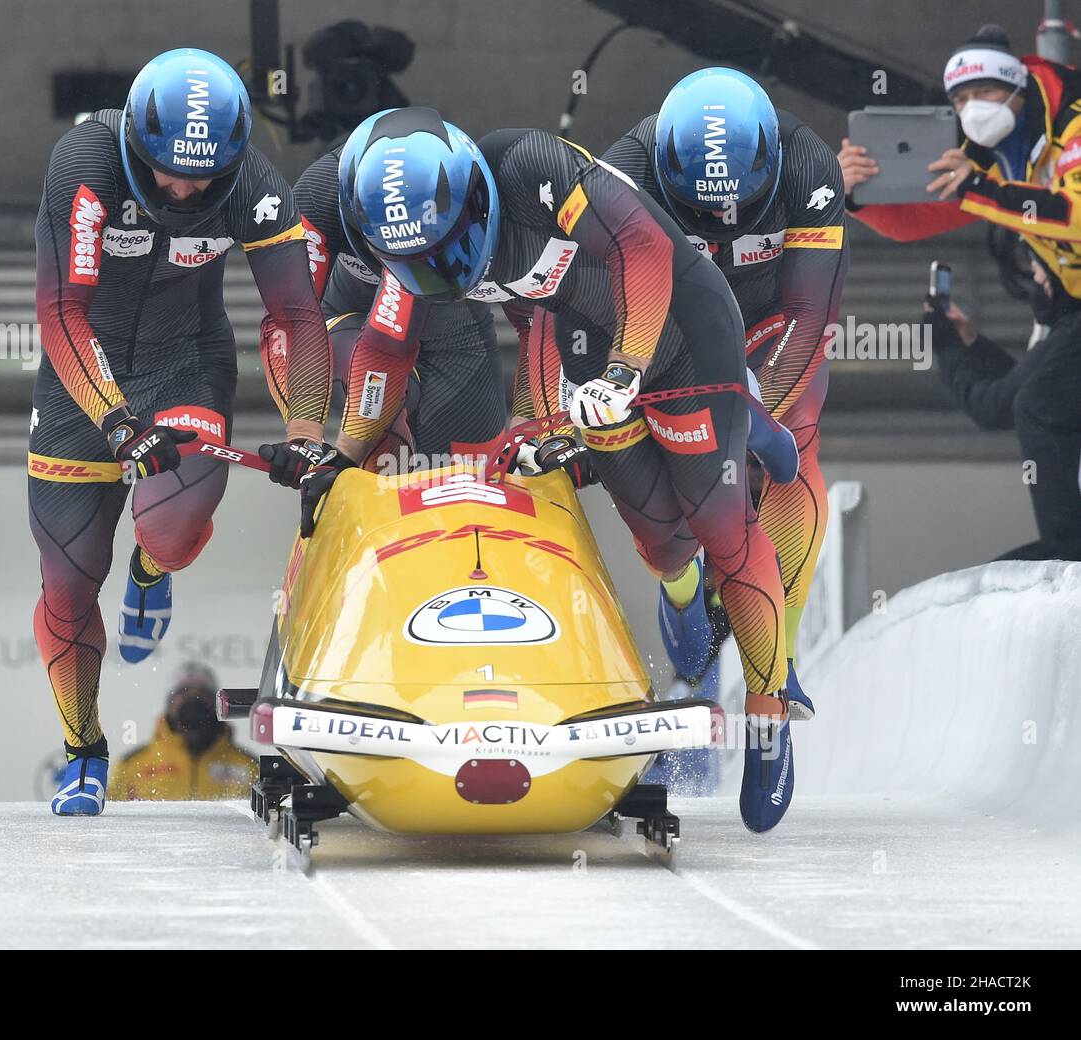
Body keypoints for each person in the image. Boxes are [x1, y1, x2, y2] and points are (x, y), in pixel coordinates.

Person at [305, 106, 797, 832]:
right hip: (587, 348)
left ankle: (769, 714)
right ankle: (738, 432)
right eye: (418, 263)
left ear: (472, 195)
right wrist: (343, 454)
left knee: (720, 526)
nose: (440, 272)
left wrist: (628, 371)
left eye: (449, 247)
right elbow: (384, 351)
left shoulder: (533, 166)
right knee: (663, 540)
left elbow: (643, 250)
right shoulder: (413, 252)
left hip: (683, 332)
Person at [32, 48, 332, 816]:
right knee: (68, 587)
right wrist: (112, 417)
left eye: (202, 176)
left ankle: (152, 569)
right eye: (166, 169)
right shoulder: (86, 163)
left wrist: (304, 427)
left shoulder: (255, 187)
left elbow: (297, 315)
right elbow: (63, 313)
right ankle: (84, 750)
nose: (183, 188)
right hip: (81, 378)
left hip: (183, 366)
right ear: (136, 140)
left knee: (171, 526)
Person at [602, 67, 848, 717]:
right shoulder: (619, 174)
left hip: (771, 329)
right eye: (703, 208)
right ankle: (685, 588)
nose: (722, 217)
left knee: (794, 450)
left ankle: (781, 663)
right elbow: (604, 307)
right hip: (674, 343)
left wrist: (755, 415)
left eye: (738, 204)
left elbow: (810, 313)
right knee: (689, 500)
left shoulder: (811, 169)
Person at [259, 140, 511, 473]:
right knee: (382, 435)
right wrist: (304, 436)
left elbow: (543, 314)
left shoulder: (482, 193)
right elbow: (289, 319)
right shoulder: (320, 194)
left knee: (480, 481)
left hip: (458, 339)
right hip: (356, 327)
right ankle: (376, 467)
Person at [839, 23, 1081, 305]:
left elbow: (1076, 216)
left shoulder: (1073, 120)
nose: (974, 108)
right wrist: (853, 194)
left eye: (986, 91)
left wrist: (979, 188)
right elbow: (917, 219)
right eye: (962, 99)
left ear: (1019, 87)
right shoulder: (985, 156)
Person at [926, 258, 1081, 560]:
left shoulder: (1073, 331)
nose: (1034, 279)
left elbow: (995, 406)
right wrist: (971, 344)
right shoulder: (1068, 334)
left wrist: (948, 348)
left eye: (1038, 270)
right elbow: (1027, 391)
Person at [107, 665, 256, 801]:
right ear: (170, 702)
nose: (194, 700)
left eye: (202, 693)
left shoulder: (249, 765)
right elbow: (113, 822)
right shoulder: (131, 764)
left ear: (218, 704)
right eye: (184, 693)